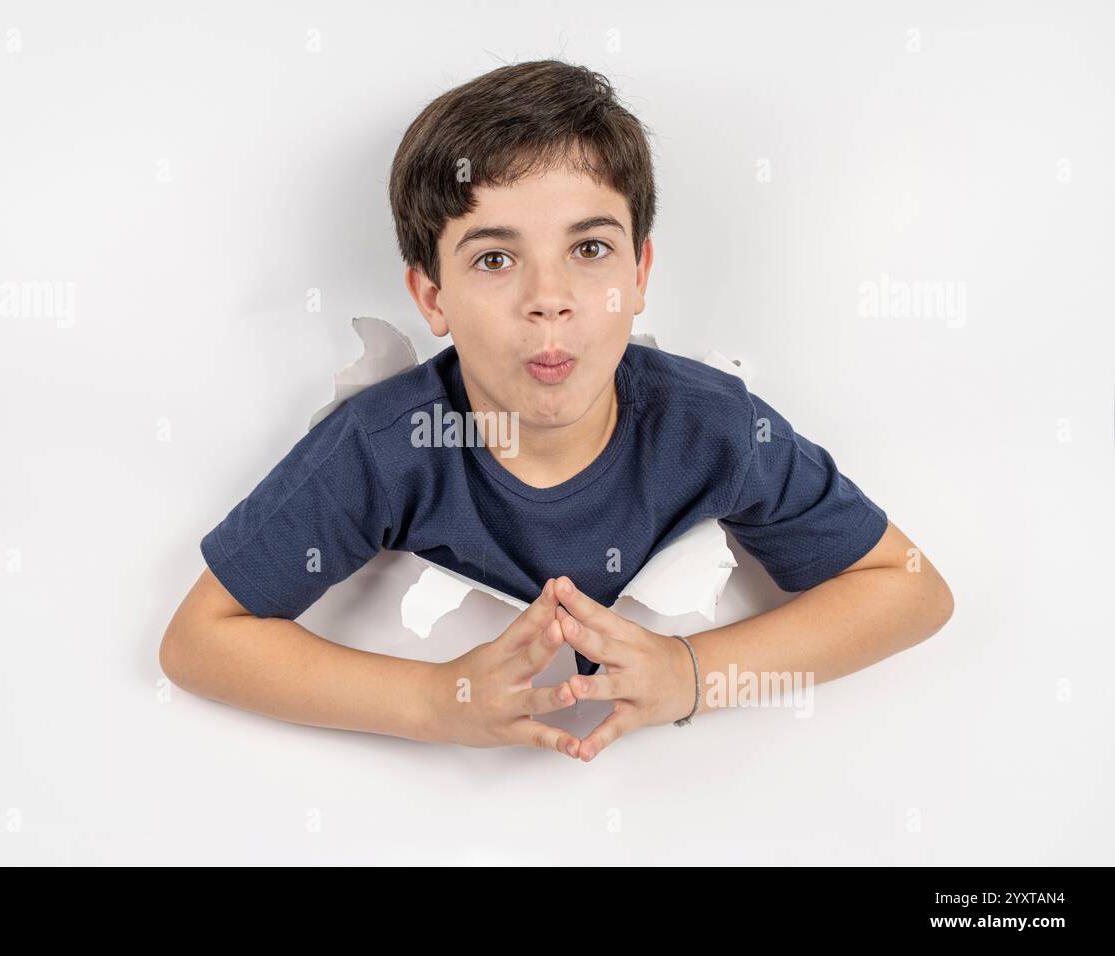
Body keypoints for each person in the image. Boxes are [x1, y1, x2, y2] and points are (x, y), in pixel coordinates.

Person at [159, 59, 954, 762]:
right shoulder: (379, 448)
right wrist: (433, 703)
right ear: (432, 296)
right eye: (496, 259)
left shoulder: (713, 426)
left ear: (640, 273)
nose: (549, 302)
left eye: (589, 250)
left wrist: (692, 674)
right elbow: (198, 641)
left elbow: (910, 589)